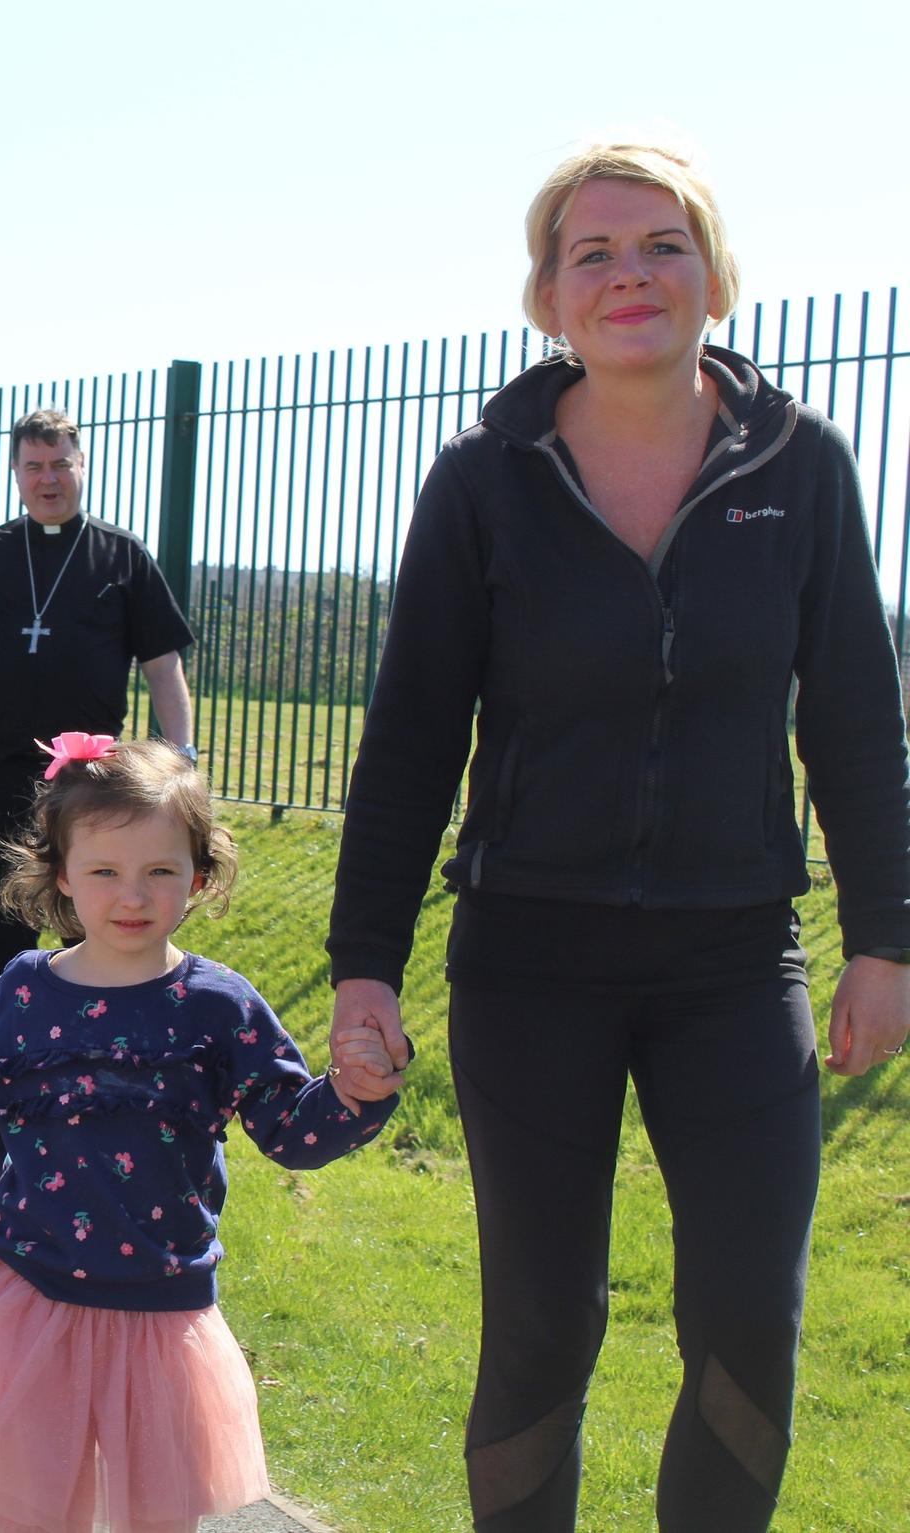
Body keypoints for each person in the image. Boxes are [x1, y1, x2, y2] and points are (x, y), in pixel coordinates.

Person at [323, 143, 910, 1533]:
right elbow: (411, 739)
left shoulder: (802, 467)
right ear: (547, 296)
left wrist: (885, 938)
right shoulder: (485, 481)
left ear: (713, 275)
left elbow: (855, 722)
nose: (630, 275)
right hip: (530, 957)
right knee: (543, 1319)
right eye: (594, 253)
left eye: (662, 245)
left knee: (746, 1317)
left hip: (731, 957)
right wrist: (363, 966)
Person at [0, 735, 397, 1533]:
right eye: (104, 871)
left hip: (162, 1319)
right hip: (36, 1305)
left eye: (160, 870)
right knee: (36, 1513)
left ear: (199, 875)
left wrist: (356, 1094)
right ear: (61, 873)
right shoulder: (26, 991)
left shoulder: (217, 1006)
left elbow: (292, 1132)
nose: (133, 894)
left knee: (155, 1516)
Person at [0, 409, 197, 1016]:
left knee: (94, 930)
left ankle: (100, 1047)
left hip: (90, 784)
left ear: (81, 466)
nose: (48, 479)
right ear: (16, 474)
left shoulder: (122, 557)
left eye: (60, 464)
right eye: (34, 466)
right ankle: (5, 1054)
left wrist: (182, 757)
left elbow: (164, 667)